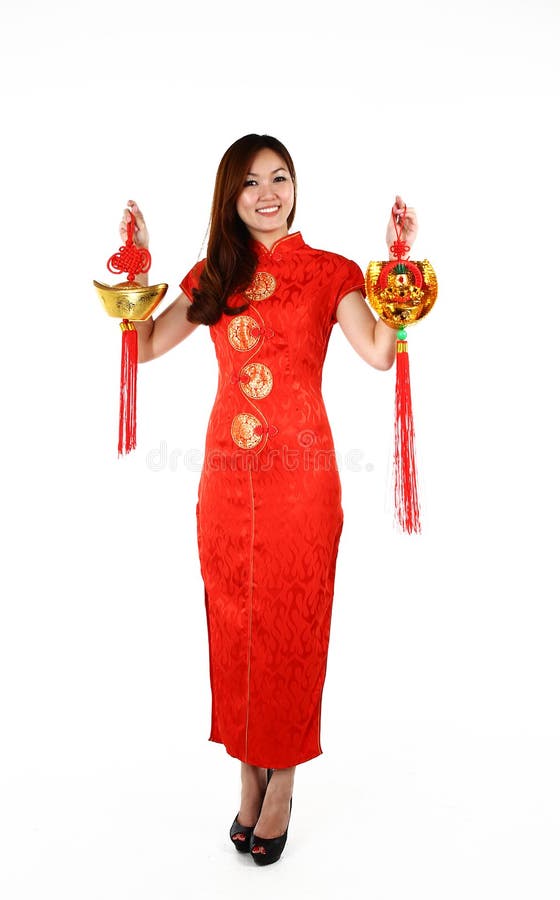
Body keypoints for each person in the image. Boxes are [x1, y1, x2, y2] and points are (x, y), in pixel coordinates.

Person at [119, 134, 418, 865]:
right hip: (225, 477)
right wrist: (141, 271)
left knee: (292, 621)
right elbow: (149, 345)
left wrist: (400, 277)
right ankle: (246, 775)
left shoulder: (330, 271)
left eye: (278, 178)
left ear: (294, 185)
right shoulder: (216, 272)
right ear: (230, 195)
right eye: (250, 182)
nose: (267, 193)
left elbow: (379, 352)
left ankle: (280, 780)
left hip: (303, 478)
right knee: (235, 620)